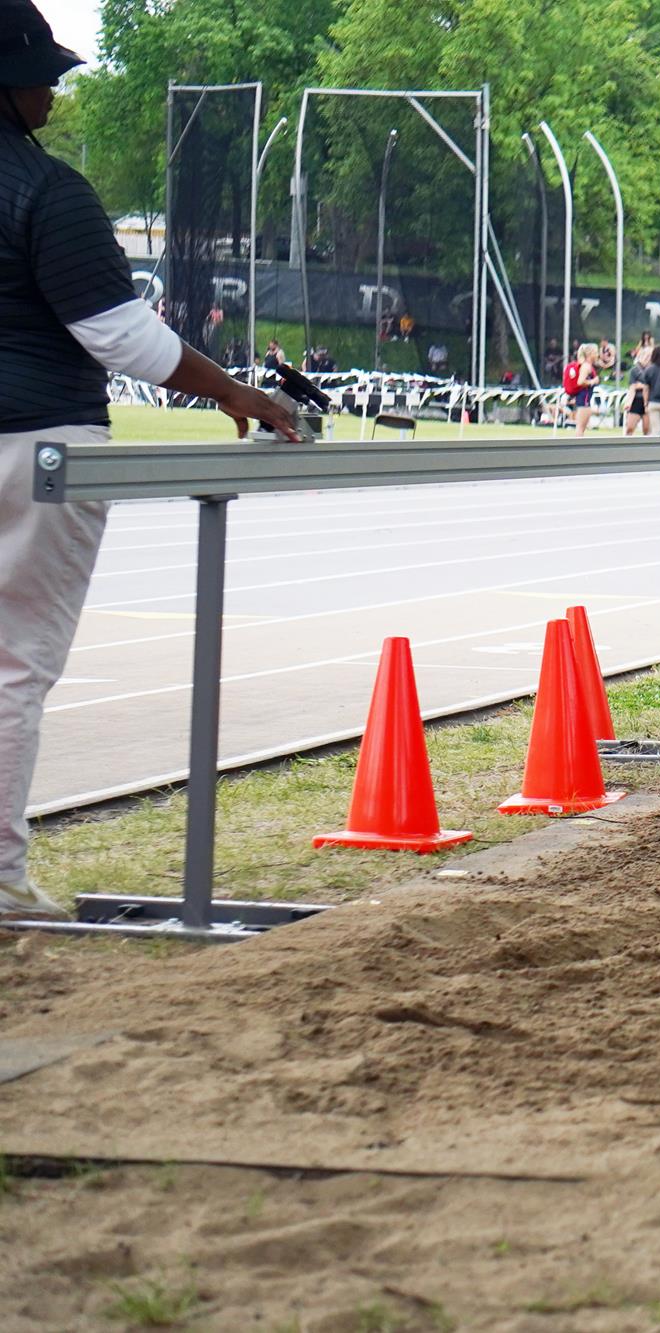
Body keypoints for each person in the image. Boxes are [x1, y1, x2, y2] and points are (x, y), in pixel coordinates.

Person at [1, 0, 298, 922]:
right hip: (38, 447)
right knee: (13, 667)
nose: (53, 87)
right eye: (42, 71)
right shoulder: (49, 190)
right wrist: (237, 393)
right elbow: (119, 336)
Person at [562, 341, 599, 435]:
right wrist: (593, 381)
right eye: (596, 352)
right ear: (590, 354)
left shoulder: (588, 366)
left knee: (582, 428)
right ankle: (577, 447)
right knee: (580, 427)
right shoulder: (586, 366)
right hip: (583, 399)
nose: (597, 355)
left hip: (585, 399)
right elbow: (580, 382)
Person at [622, 344, 652, 435]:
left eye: (650, 356)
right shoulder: (635, 370)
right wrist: (629, 402)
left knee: (647, 430)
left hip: (649, 401)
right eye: (646, 355)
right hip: (637, 400)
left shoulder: (653, 370)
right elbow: (632, 387)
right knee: (630, 428)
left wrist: (641, 385)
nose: (647, 358)